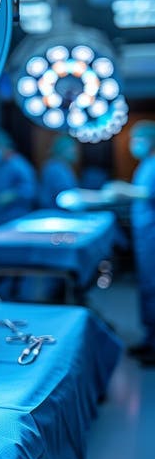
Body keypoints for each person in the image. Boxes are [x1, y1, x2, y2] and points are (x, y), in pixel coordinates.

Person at [100, 121, 155, 364]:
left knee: (153, 289)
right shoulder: (146, 166)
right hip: (145, 236)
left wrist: (123, 190)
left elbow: (147, 193)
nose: (135, 144)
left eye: (138, 140)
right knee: (146, 288)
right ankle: (149, 340)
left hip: (152, 237)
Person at [0, 129, 37, 227]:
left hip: (17, 219)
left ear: (1, 147)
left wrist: (13, 194)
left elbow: (31, 190)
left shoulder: (18, 165)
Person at [39, 135, 79, 208]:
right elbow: (66, 194)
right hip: (54, 211)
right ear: (62, 149)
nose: (75, 151)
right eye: (71, 149)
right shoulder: (55, 168)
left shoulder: (63, 166)